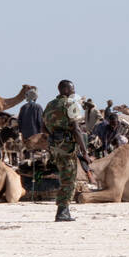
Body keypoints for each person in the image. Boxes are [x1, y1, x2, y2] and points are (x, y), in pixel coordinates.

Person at [43, 79, 91, 222]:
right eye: (72, 89)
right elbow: (76, 129)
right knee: (69, 180)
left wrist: (53, 138)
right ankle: (62, 212)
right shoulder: (70, 104)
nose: (74, 92)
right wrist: (85, 152)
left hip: (55, 148)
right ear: (65, 90)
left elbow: (42, 127)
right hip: (67, 148)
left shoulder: (50, 105)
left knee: (64, 178)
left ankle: (64, 211)